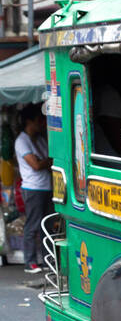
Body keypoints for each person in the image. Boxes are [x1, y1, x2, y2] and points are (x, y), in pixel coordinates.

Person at [15, 104, 52, 274]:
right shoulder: (22, 141)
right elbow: (36, 164)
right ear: (29, 121)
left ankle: (46, 259)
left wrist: (45, 161)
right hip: (33, 187)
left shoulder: (41, 139)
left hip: (46, 186)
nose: (42, 123)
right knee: (33, 225)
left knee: (47, 225)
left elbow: (46, 160)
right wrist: (46, 161)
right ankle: (29, 261)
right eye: (39, 120)